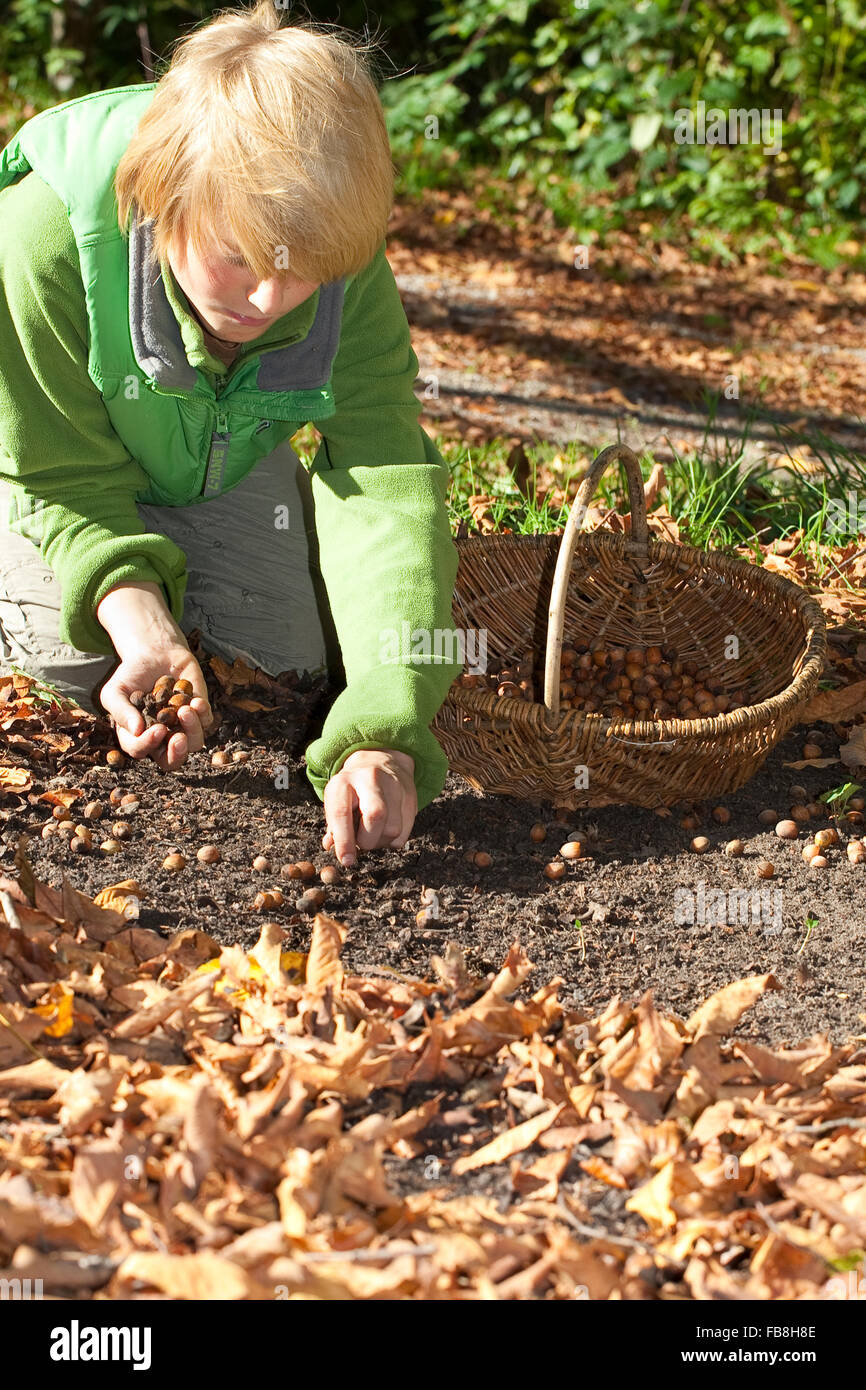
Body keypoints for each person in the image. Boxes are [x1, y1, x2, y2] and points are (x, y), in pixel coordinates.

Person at [0, 0, 463, 867]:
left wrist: (385, 722)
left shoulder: (337, 257)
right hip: (37, 458)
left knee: (289, 661)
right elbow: (57, 473)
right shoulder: (41, 235)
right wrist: (139, 619)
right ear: (167, 192)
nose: (265, 303)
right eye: (239, 256)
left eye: (302, 273)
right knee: (70, 670)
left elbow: (384, 477)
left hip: (205, 465)